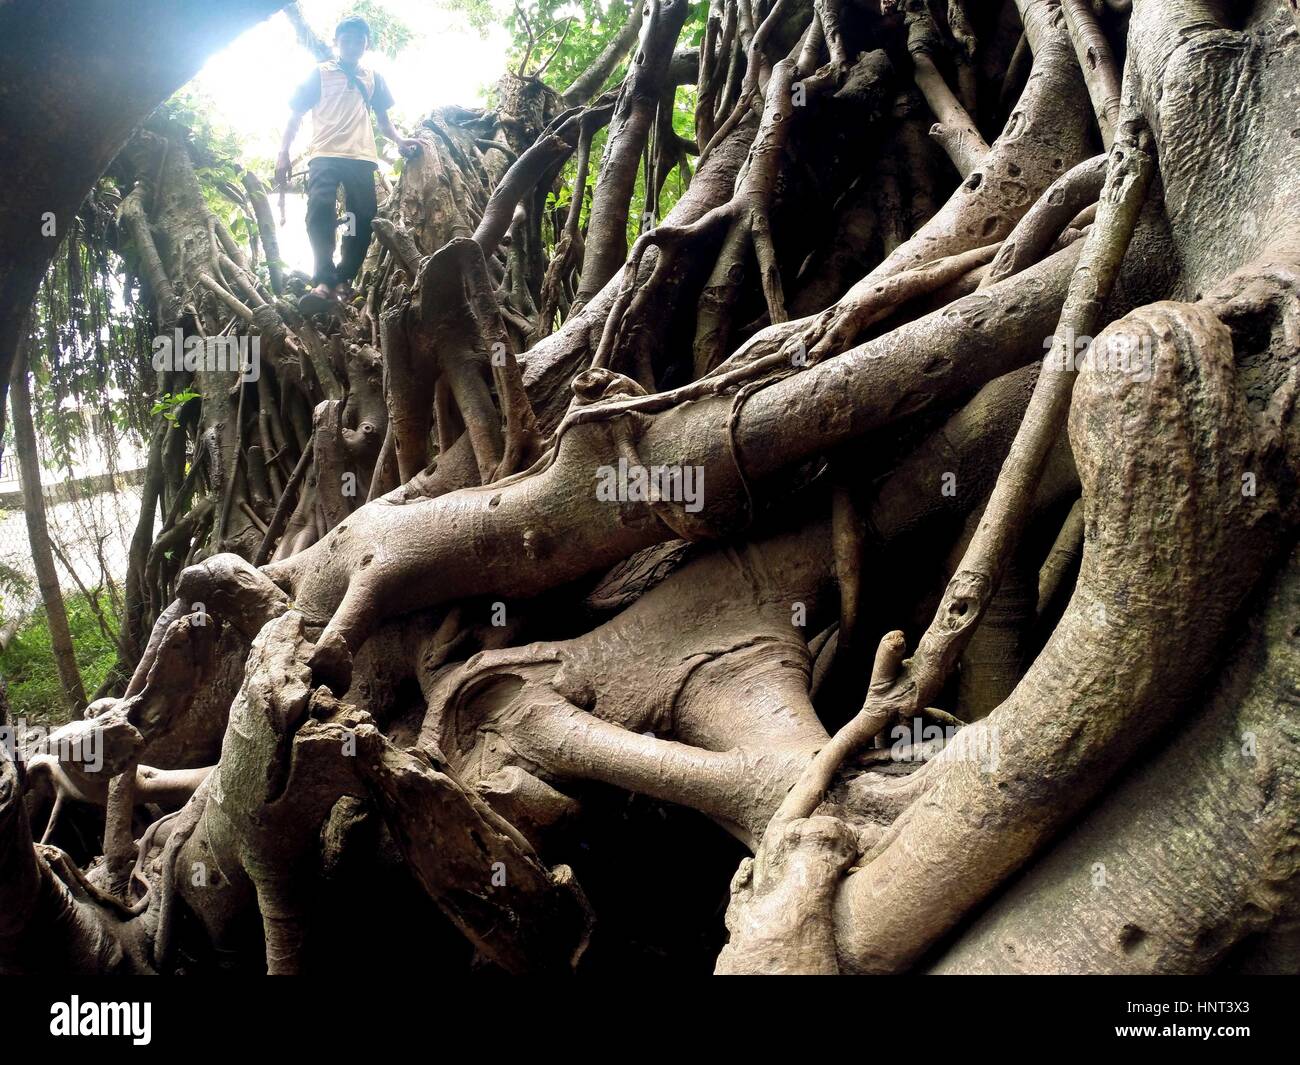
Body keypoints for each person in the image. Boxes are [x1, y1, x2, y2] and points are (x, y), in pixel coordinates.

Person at [275, 14, 421, 314]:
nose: (353, 44)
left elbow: (383, 121)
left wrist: (400, 141)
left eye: (359, 40)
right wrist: (283, 153)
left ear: (366, 44)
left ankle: (343, 278)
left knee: (359, 218)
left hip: (360, 159)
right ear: (336, 42)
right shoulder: (320, 73)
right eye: (347, 39)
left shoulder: (373, 77)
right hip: (325, 156)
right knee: (320, 211)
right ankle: (323, 280)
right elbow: (295, 115)